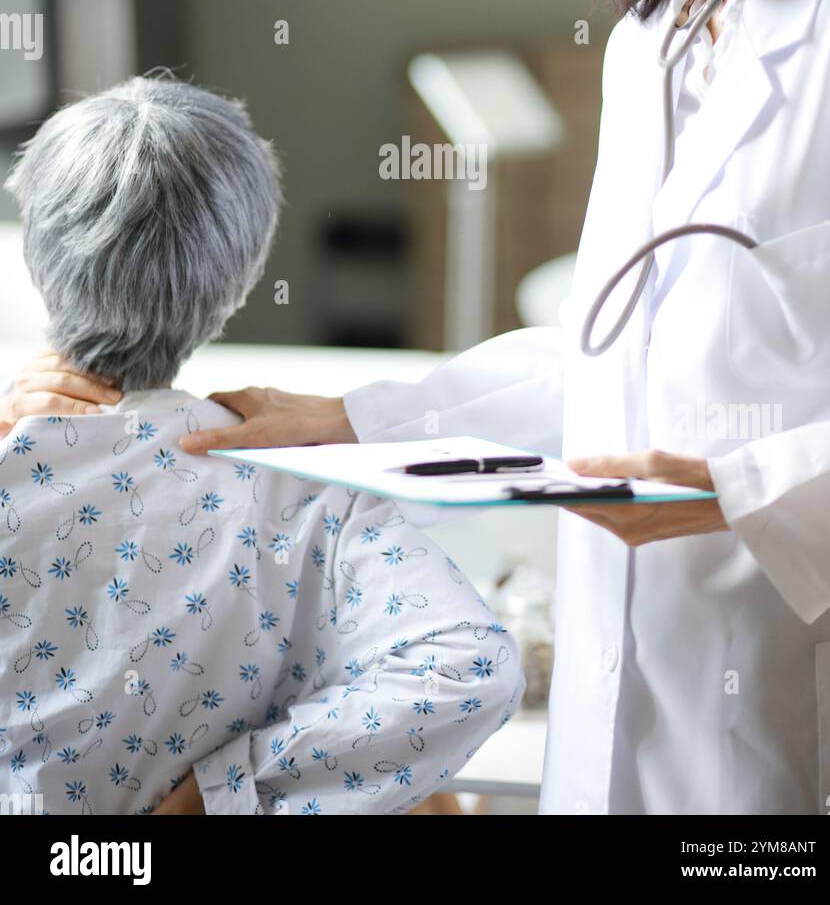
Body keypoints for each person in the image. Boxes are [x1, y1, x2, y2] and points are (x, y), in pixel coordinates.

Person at [8, 0, 830, 816]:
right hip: (617, 711)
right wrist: (346, 412)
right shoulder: (653, 44)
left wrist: (749, 487)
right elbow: (601, 359)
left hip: (784, 708)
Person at [0, 75, 524, 815]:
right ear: (241, 277)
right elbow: (473, 669)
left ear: (39, 259)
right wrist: (227, 795)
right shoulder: (310, 495)